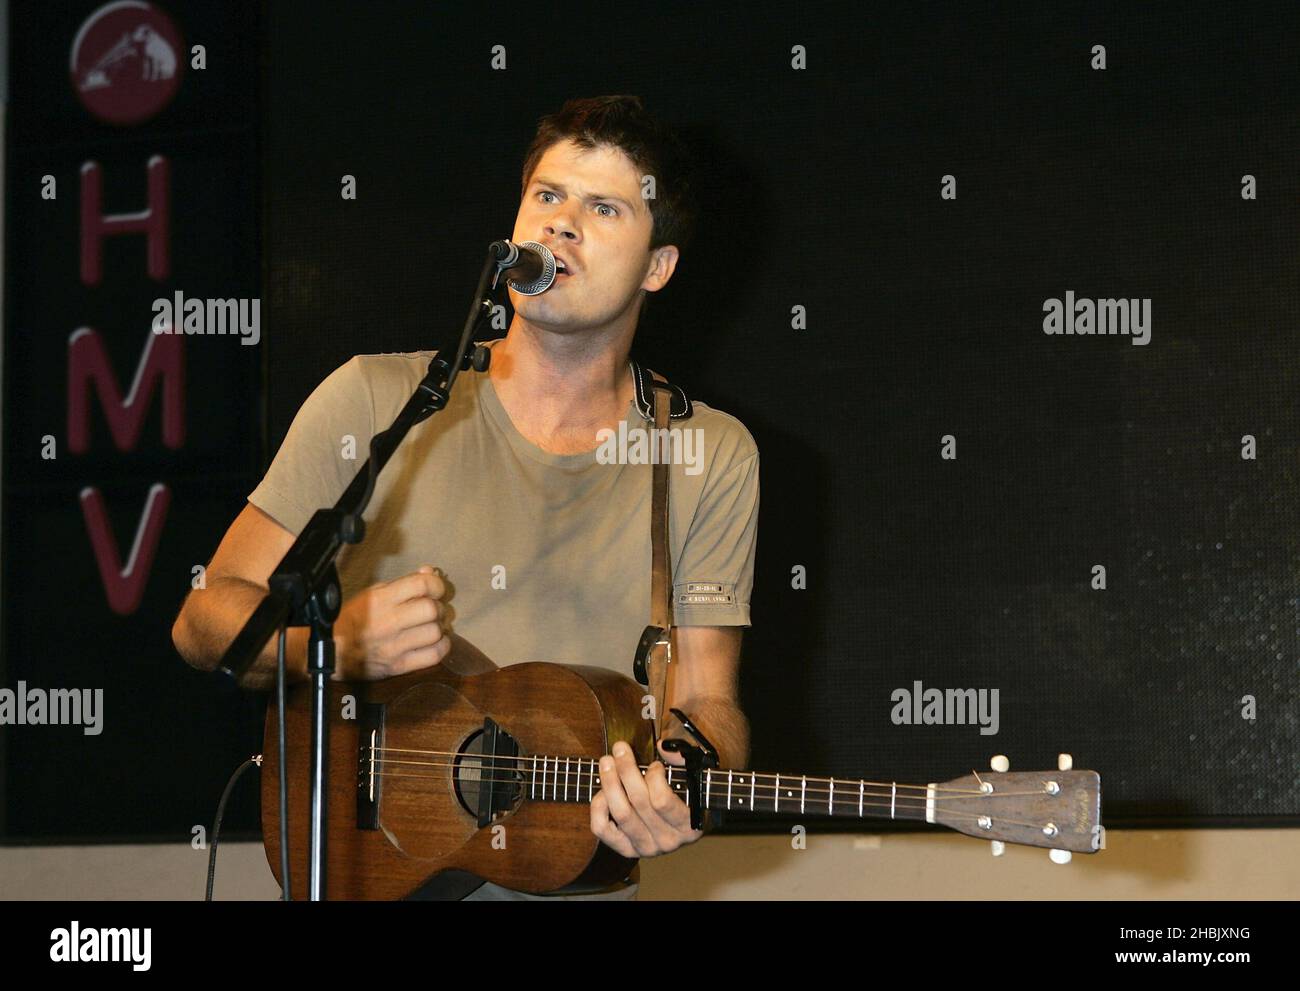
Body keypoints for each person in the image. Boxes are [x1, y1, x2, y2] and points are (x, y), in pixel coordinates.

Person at [172, 95, 759, 900]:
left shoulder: (707, 452)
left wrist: (690, 776)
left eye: (604, 207)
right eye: (547, 196)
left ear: (658, 266)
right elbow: (203, 619)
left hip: (574, 877)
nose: (560, 225)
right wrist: (333, 644)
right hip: (371, 870)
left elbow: (707, 700)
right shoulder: (373, 398)